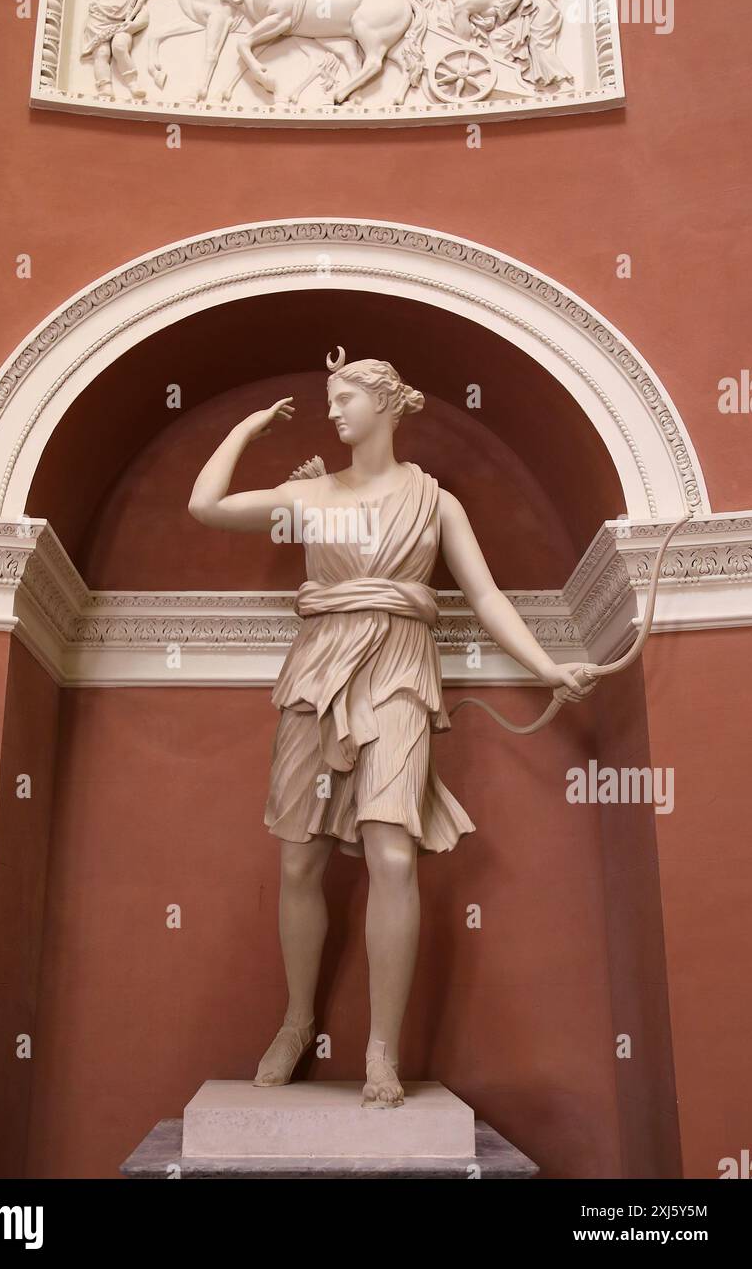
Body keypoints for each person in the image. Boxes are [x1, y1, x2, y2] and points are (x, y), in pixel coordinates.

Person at [188, 349, 598, 1106]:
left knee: (395, 856)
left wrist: (546, 667)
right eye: (331, 400)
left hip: (402, 673)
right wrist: (246, 429)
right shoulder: (309, 497)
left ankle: (382, 1049)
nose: (335, 412)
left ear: (384, 404)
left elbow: (487, 597)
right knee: (299, 861)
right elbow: (205, 506)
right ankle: (297, 1018)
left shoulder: (435, 503)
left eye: (346, 398)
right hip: (318, 675)